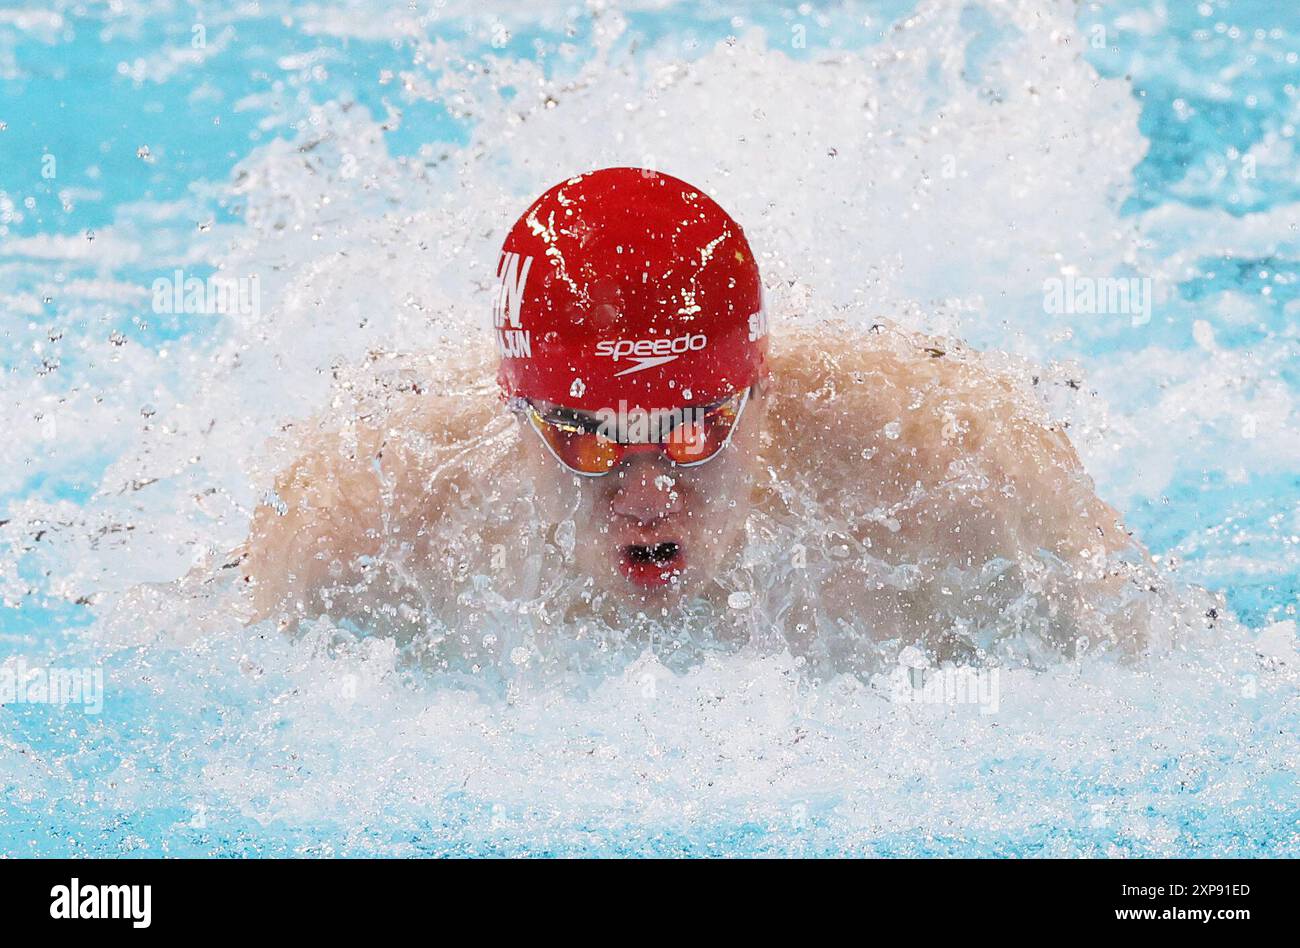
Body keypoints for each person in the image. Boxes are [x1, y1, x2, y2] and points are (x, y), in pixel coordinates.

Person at [239, 168, 1145, 668]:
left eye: (690, 431)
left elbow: (1163, 669)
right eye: (588, 437)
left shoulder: (951, 474)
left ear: (764, 396)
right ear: (511, 415)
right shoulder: (359, 522)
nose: (644, 500)